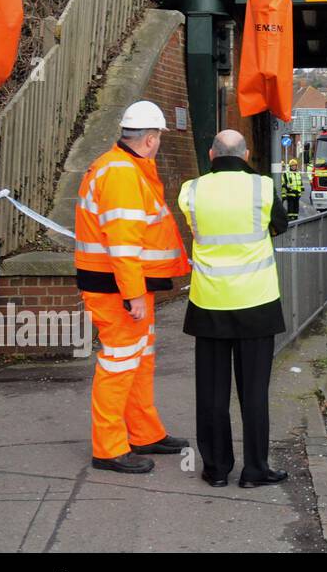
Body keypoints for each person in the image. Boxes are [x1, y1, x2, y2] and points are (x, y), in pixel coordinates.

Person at [74, 100, 191, 474]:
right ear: (151, 139)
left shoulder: (123, 167)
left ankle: (143, 433)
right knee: (120, 363)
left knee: (138, 361)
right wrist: (133, 294)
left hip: (124, 285)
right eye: (159, 138)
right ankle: (108, 449)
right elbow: (123, 243)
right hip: (118, 289)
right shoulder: (123, 173)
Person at [178, 130, 289, 489]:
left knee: (211, 393)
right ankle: (255, 469)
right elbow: (281, 225)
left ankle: (216, 468)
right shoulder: (262, 188)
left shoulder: (191, 191)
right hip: (256, 302)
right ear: (246, 154)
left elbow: (195, 229)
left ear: (211, 154)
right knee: (254, 392)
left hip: (209, 302)